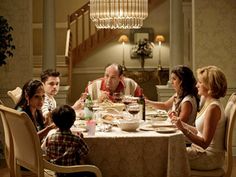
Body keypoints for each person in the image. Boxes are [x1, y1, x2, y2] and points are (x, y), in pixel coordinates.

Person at [170, 65, 227, 170]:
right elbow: (200, 132)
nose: (196, 85)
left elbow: (204, 143)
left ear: (210, 86)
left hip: (209, 158)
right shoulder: (208, 102)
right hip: (200, 152)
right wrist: (181, 124)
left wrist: (182, 129)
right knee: (169, 152)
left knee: (168, 156)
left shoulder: (213, 108)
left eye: (200, 82)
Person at [42, 105, 90, 177]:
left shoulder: (50, 138)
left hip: (54, 173)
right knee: (92, 172)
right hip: (72, 173)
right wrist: (80, 139)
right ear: (73, 121)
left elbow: (46, 153)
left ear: (54, 122)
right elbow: (85, 153)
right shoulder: (76, 139)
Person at [72, 63, 143, 109]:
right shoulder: (93, 87)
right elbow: (81, 106)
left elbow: (143, 103)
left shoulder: (131, 85)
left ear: (120, 77)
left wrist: (133, 102)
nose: (108, 80)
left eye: (113, 77)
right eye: (106, 76)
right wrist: (97, 102)